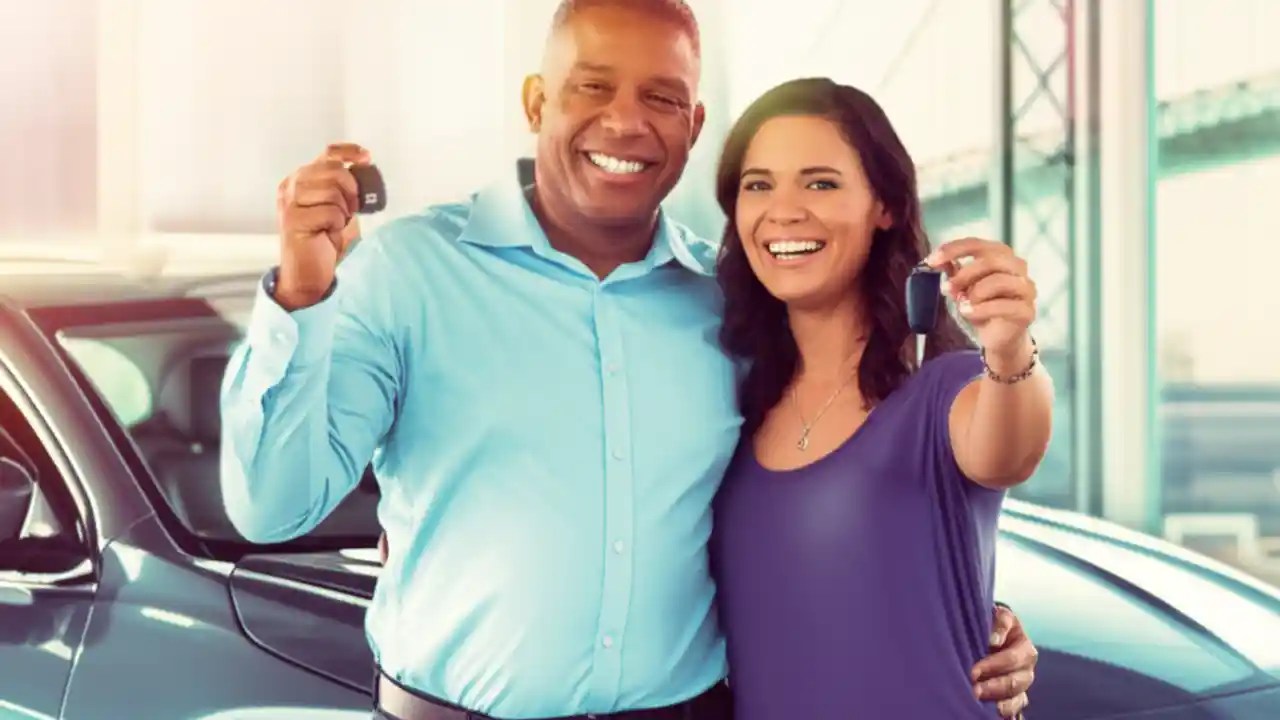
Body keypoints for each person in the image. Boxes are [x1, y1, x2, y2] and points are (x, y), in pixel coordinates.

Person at [219, 1, 1037, 718]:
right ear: (537, 101)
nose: (625, 121)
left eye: (661, 97)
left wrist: (965, 613)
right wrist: (300, 293)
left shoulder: (730, 310)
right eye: (593, 86)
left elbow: (842, 490)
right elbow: (272, 508)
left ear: (693, 124)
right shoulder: (406, 274)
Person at [709, 77, 1049, 719]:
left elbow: (1011, 452)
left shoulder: (945, 389)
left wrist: (1010, 348)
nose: (783, 210)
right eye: (758, 184)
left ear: (885, 205)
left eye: (820, 182)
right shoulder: (733, 396)